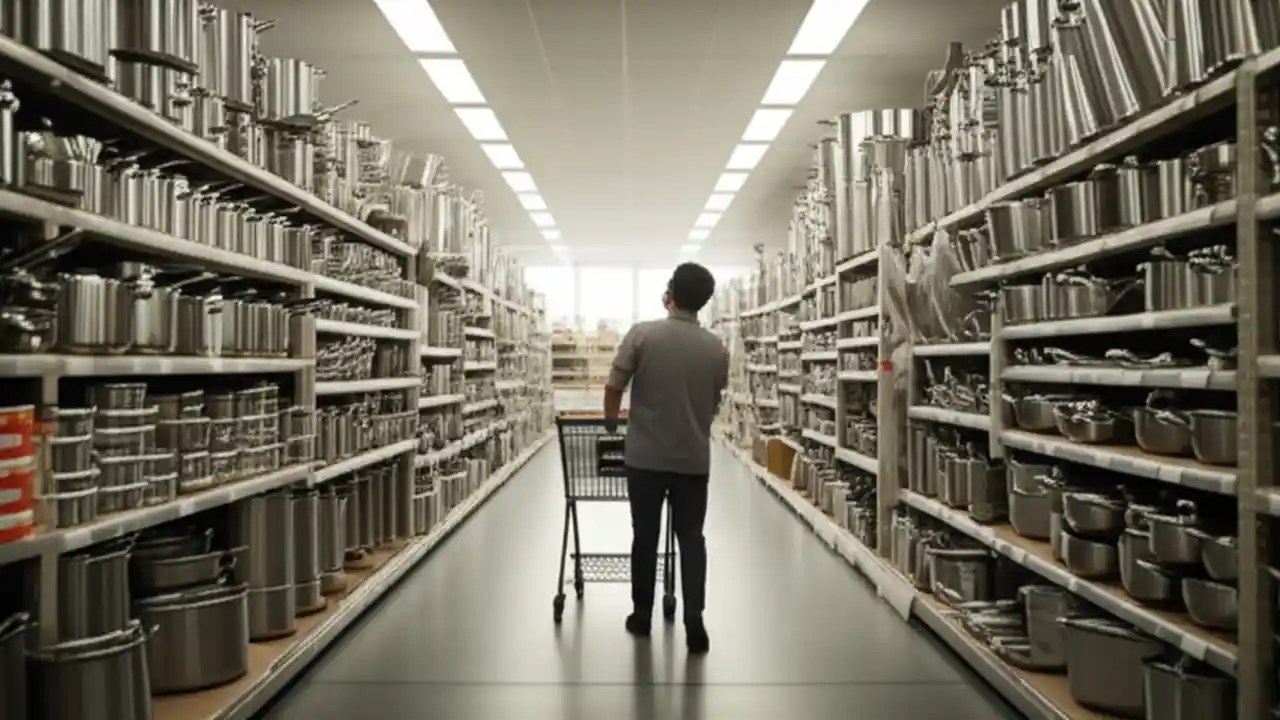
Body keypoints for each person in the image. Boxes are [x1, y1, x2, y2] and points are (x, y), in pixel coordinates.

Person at [603, 262, 729, 654]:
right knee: (692, 538)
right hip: (693, 459)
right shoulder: (716, 348)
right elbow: (713, 401)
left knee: (645, 536)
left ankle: (642, 616)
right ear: (704, 302)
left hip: (645, 459)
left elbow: (614, 385)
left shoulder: (643, 334)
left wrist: (611, 423)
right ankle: (695, 621)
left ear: (670, 292)